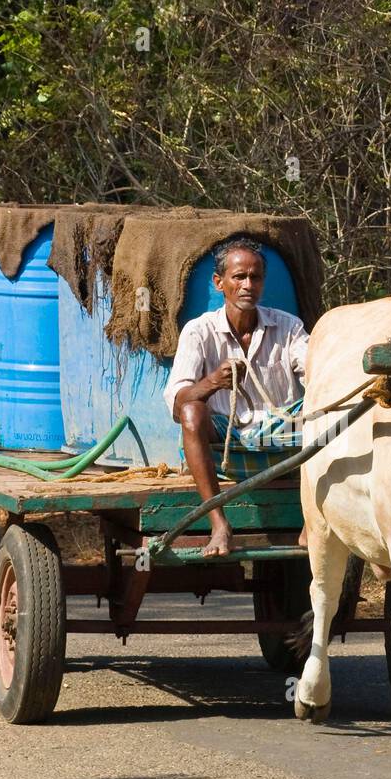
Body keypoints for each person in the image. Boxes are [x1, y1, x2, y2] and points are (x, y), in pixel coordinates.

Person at [164, 238, 309, 556]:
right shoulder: (198, 331)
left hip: (279, 435)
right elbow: (177, 404)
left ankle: (313, 523)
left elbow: (316, 368)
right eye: (239, 277)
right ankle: (219, 524)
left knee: (331, 413)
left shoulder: (289, 327)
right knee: (191, 413)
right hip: (225, 440)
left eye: (255, 277)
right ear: (219, 283)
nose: (248, 285)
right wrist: (213, 381)